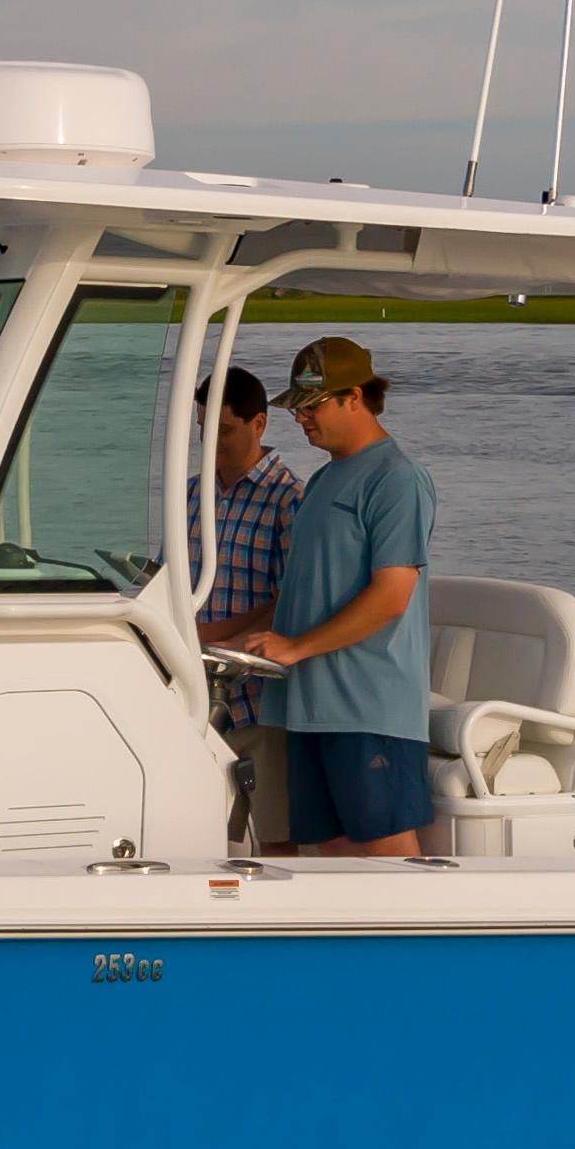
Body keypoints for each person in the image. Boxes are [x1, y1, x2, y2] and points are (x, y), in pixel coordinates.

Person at [243, 336, 437, 856]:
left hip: (367, 705)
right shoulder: (325, 478)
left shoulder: (396, 478)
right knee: (330, 855)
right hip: (309, 706)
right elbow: (306, 590)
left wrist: (295, 648)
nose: (301, 419)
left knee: (385, 848)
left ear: (354, 397)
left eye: (312, 406)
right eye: (297, 409)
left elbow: (392, 595)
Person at [192, 365, 302, 850]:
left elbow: (291, 599)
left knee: (277, 832)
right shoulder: (192, 493)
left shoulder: (290, 500)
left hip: (259, 695)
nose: (211, 442)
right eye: (202, 430)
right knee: (196, 829)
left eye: (223, 430)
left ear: (259, 424)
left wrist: (214, 635)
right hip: (195, 687)